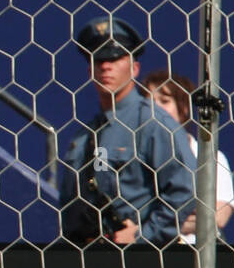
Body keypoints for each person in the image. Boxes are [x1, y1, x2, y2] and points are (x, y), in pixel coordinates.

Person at [57, 17, 196, 245]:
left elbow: (184, 190)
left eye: (115, 57)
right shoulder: (84, 135)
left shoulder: (153, 123)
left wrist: (143, 236)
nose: (105, 66)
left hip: (140, 262)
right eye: (98, 59)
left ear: (134, 68)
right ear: (90, 68)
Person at [144, 69, 234, 243]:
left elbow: (217, 217)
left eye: (164, 101)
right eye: (149, 102)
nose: (154, 109)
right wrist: (182, 217)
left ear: (184, 108)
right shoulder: (137, 158)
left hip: (195, 256)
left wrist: (157, 221)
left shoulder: (210, 156)